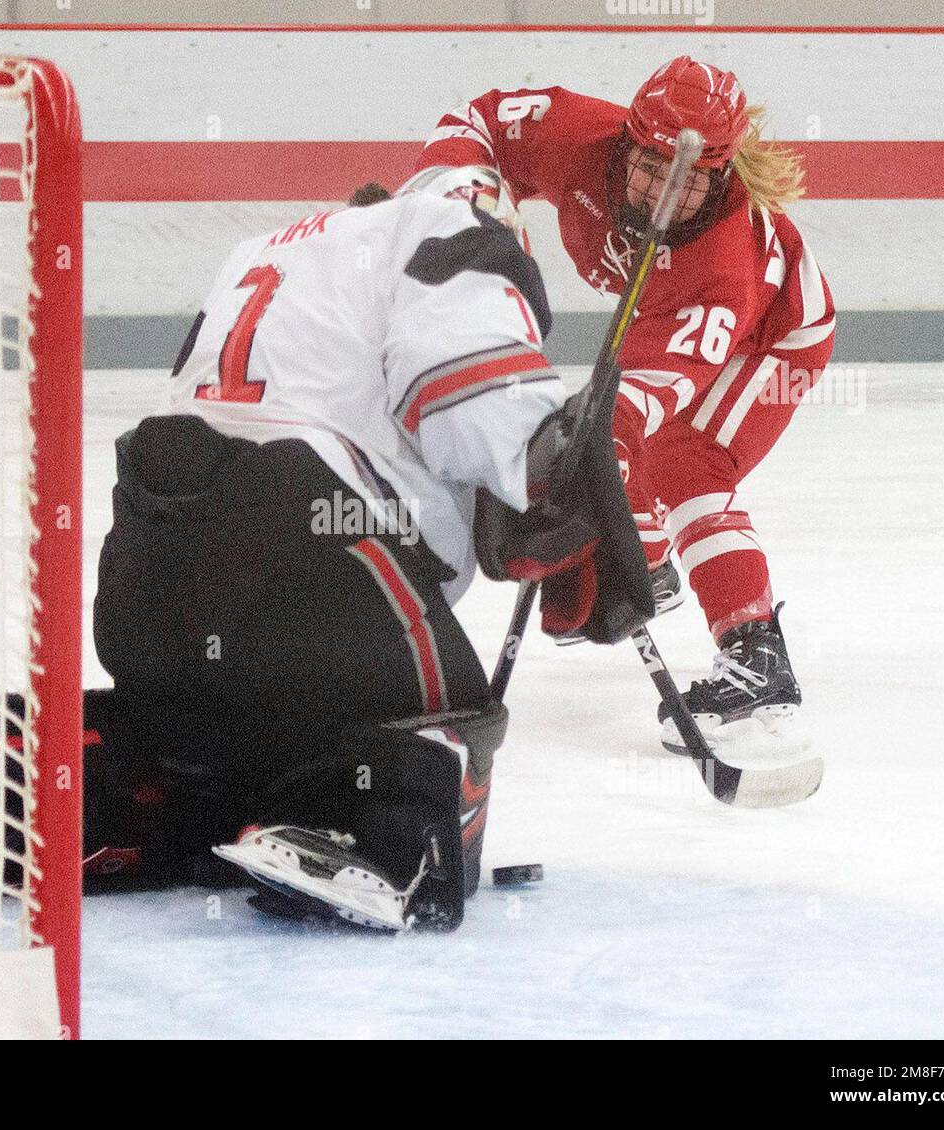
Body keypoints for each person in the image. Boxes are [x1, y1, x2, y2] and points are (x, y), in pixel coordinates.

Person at [86, 166, 642, 930]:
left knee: (199, 744)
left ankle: (91, 786)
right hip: (308, 557)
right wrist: (563, 485)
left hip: (144, 570)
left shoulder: (261, 250)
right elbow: (471, 403)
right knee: (451, 720)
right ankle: (371, 832)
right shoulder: (450, 223)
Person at [415, 57, 834, 755]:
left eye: (692, 178)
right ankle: (651, 569)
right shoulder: (574, 134)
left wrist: (572, 474)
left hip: (773, 333)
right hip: (681, 318)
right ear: (625, 142)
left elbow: (626, 417)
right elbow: (478, 121)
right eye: (651, 167)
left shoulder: (720, 274)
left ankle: (756, 655)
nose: (666, 193)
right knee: (627, 486)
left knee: (683, 466)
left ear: (721, 176)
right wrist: (461, 207)